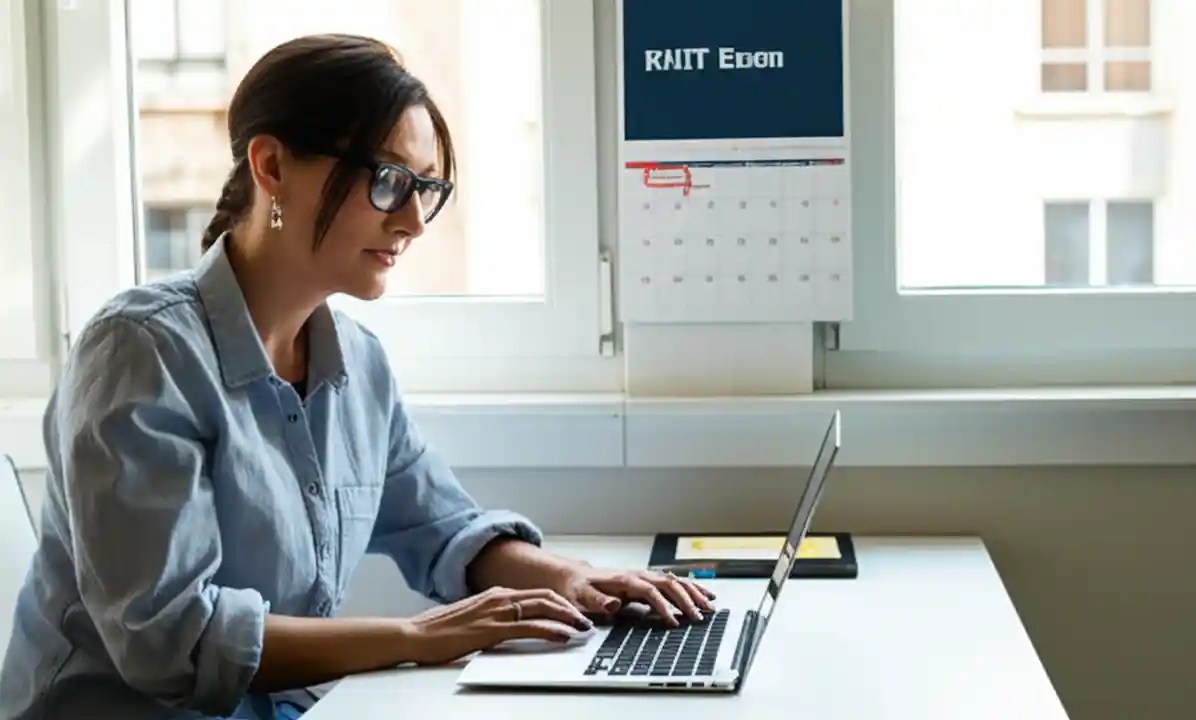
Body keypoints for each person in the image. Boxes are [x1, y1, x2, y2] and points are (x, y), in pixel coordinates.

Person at [0, 34, 713, 720]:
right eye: (388, 181)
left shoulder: (358, 364)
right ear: (271, 166)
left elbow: (442, 528)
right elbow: (169, 639)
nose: (413, 221)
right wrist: (414, 639)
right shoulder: (140, 351)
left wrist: (569, 578)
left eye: (425, 188)